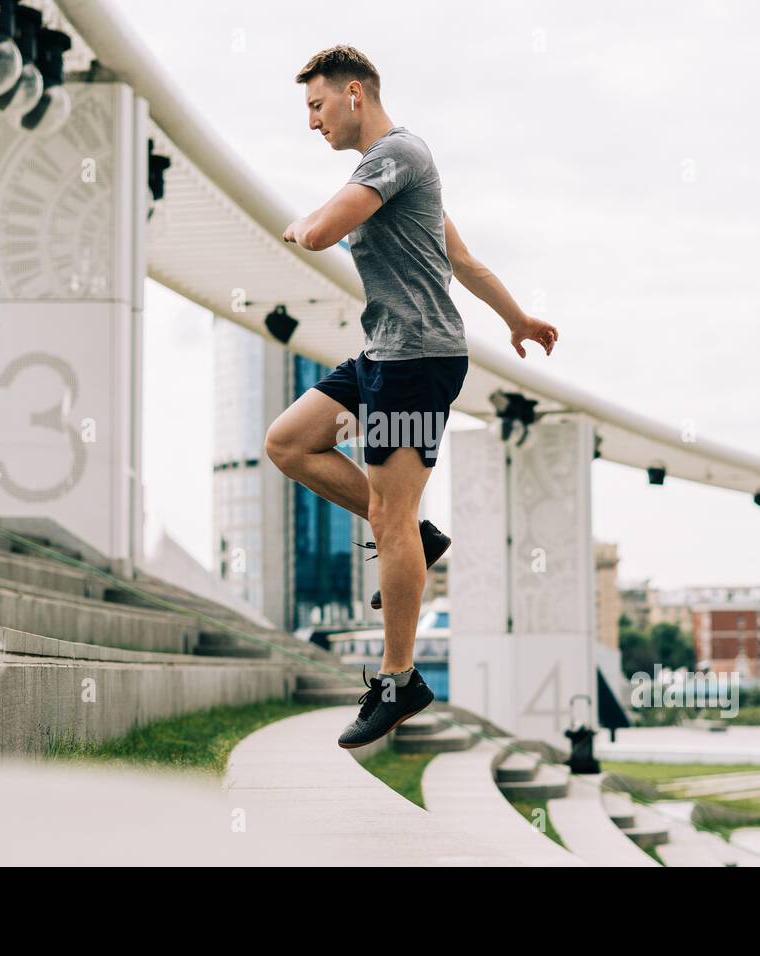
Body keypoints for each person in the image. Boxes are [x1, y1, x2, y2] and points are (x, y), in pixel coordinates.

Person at [266, 44, 558, 748]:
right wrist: (516, 319)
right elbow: (462, 259)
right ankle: (418, 540)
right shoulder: (391, 173)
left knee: (387, 514)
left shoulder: (398, 155)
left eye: (317, 105)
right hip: (382, 353)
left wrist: (301, 224)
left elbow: (322, 230)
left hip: (418, 362)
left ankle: (400, 679)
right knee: (288, 442)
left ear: (355, 93)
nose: (312, 123)